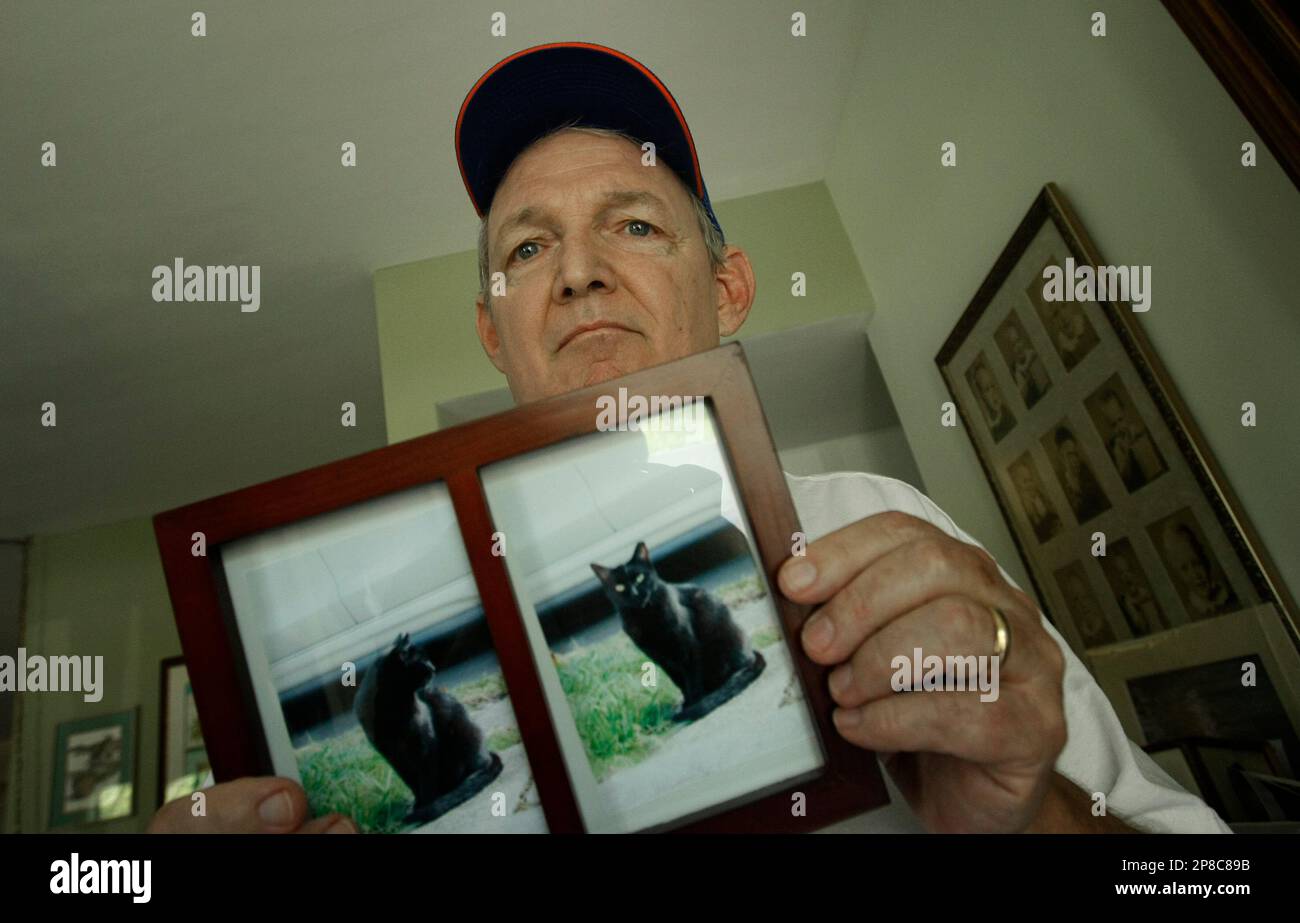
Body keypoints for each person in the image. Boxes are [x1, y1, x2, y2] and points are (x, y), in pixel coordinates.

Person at [149, 42, 1229, 834]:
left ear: (729, 287)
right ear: (493, 331)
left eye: (633, 224)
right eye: (529, 247)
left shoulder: (881, 528)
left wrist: (1033, 810)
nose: (576, 271)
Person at [1160, 520, 1240, 618]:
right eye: (1184, 569)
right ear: (1178, 574)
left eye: (1196, 563)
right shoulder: (1190, 615)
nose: (1195, 575)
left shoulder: (1233, 595)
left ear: (1205, 560)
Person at [1098, 389, 1166, 491]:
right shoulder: (1114, 449)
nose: (1119, 427)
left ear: (1124, 412)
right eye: (1113, 425)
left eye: (1120, 419)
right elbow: (1125, 483)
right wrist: (1125, 457)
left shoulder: (1142, 432)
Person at [1052, 426, 1110, 524]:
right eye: (1069, 454)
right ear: (1060, 455)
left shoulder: (1084, 469)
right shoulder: (1057, 480)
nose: (1074, 460)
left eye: (1075, 454)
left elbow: (1101, 501)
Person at [971, 358, 1016, 442]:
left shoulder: (1006, 412)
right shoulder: (986, 426)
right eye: (987, 389)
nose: (993, 393)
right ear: (982, 396)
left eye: (992, 385)